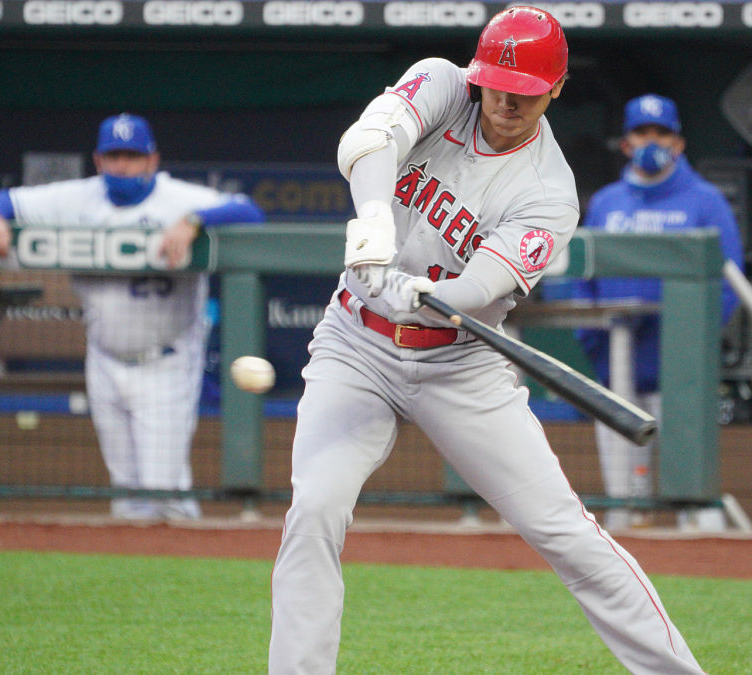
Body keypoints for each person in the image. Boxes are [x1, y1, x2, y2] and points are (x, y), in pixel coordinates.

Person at [268, 8, 706, 674]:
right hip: (354, 345)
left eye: (526, 89)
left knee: (565, 532)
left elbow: (480, 288)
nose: (506, 99)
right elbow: (367, 141)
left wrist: (431, 295)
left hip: (459, 364)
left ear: (556, 89)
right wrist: (376, 223)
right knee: (315, 508)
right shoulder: (443, 86)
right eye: (498, 82)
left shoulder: (550, 191)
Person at [0, 113, 265, 520]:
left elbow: (250, 211)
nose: (122, 166)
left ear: (152, 160)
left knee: (163, 491)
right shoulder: (78, 197)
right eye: (114, 156)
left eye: (132, 156)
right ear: (98, 161)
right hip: (103, 359)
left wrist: (194, 221)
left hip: (165, 360)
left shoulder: (178, 199)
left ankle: (184, 562)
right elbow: (2, 202)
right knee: (127, 492)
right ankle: (144, 574)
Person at [545, 93, 744, 530]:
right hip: (617, 369)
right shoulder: (607, 202)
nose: (652, 141)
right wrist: (598, 351)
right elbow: (583, 281)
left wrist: (695, 352)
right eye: (642, 133)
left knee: (692, 500)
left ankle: (706, 580)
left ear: (679, 143)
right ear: (626, 143)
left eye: (661, 133)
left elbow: (728, 286)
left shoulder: (705, 200)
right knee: (622, 506)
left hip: (681, 377)